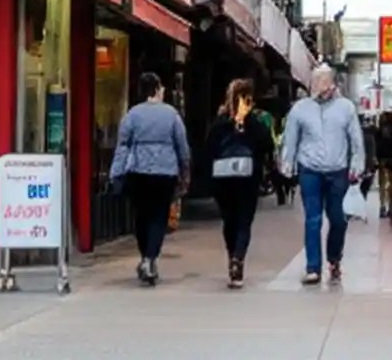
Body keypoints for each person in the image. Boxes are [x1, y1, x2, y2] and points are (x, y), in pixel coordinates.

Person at [279, 65, 364, 284]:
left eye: (325, 84)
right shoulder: (300, 109)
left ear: (333, 84)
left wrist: (357, 163)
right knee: (313, 219)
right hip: (310, 171)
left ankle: (334, 259)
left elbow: (356, 139)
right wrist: (287, 162)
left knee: (338, 219)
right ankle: (313, 267)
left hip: (338, 172)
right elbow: (290, 138)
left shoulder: (346, 108)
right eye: (317, 84)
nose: (322, 89)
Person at [109, 71, 190, 286]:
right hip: (165, 173)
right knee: (158, 217)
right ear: (157, 89)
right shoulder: (171, 115)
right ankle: (150, 258)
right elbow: (182, 147)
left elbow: (122, 147)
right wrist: (185, 172)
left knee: (142, 217)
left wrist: (115, 173)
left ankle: (145, 256)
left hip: (139, 172)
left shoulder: (132, 115)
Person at [206, 79, 274, 289]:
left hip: (223, 179)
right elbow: (267, 146)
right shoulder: (255, 123)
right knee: (244, 221)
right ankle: (238, 258)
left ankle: (232, 257)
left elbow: (209, 147)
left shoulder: (220, 123)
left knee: (229, 221)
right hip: (248, 178)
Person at [359, 116, 378, 201]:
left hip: (359, 165)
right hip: (367, 165)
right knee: (365, 187)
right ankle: (362, 200)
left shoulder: (360, 135)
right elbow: (372, 153)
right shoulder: (370, 137)